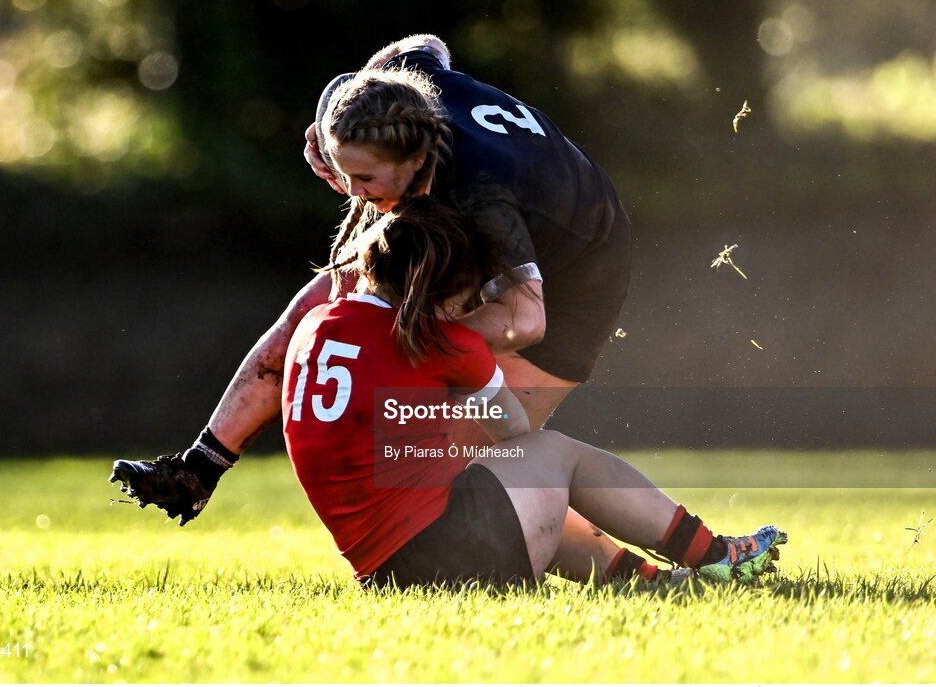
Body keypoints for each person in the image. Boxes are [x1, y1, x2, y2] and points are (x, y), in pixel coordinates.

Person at [109, 35, 677, 581]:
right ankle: (200, 466)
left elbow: (527, 320)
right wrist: (340, 121)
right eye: (340, 170)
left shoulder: (483, 195)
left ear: (414, 160)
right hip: (460, 210)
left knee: (474, 455)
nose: (353, 193)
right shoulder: (386, 99)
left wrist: (414, 336)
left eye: (363, 177)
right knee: (313, 313)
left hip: (578, 271)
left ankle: (642, 572)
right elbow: (427, 43)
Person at [257, 197, 787, 586]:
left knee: (497, 484)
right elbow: (516, 435)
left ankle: (649, 582)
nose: (475, 309)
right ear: (435, 292)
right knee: (551, 453)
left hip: (385, 572)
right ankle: (714, 554)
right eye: (471, 296)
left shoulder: (315, 324)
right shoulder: (441, 338)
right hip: (443, 561)